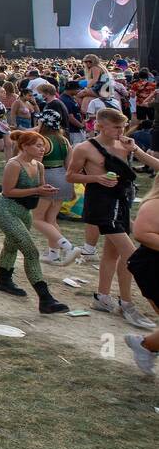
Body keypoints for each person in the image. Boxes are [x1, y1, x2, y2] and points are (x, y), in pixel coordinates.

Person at [67, 107, 159, 329]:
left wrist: (135, 150)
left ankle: (102, 297)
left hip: (122, 201)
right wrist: (97, 178)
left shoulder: (124, 145)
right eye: (116, 127)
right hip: (101, 205)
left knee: (112, 253)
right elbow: (70, 176)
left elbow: (156, 166)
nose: (121, 131)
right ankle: (126, 304)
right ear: (100, 126)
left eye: (123, 126)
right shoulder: (84, 148)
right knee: (132, 256)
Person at [0, 130, 71, 314]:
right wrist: (37, 189)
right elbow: (8, 192)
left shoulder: (39, 165)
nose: (43, 149)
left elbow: (39, 189)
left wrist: (47, 190)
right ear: (25, 146)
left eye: (43, 146)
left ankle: (3, 280)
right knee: (31, 251)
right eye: (38, 145)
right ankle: (45, 298)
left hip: (24, 211)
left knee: (11, 246)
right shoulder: (14, 164)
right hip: (6, 210)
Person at [32, 111, 78, 264]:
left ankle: (68, 247)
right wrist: (70, 187)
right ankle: (53, 254)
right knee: (50, 219)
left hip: (48, 178)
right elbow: (69, 166)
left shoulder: (42, 140)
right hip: (63, 179)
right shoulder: (64, 140)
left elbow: (38, 165)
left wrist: (38, 185)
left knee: (37, 219)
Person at [125, 177, 159, 375]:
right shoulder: (155, 204)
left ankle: (144, 345)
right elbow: (142, 233)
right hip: (152, 266)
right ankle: (144, 346)